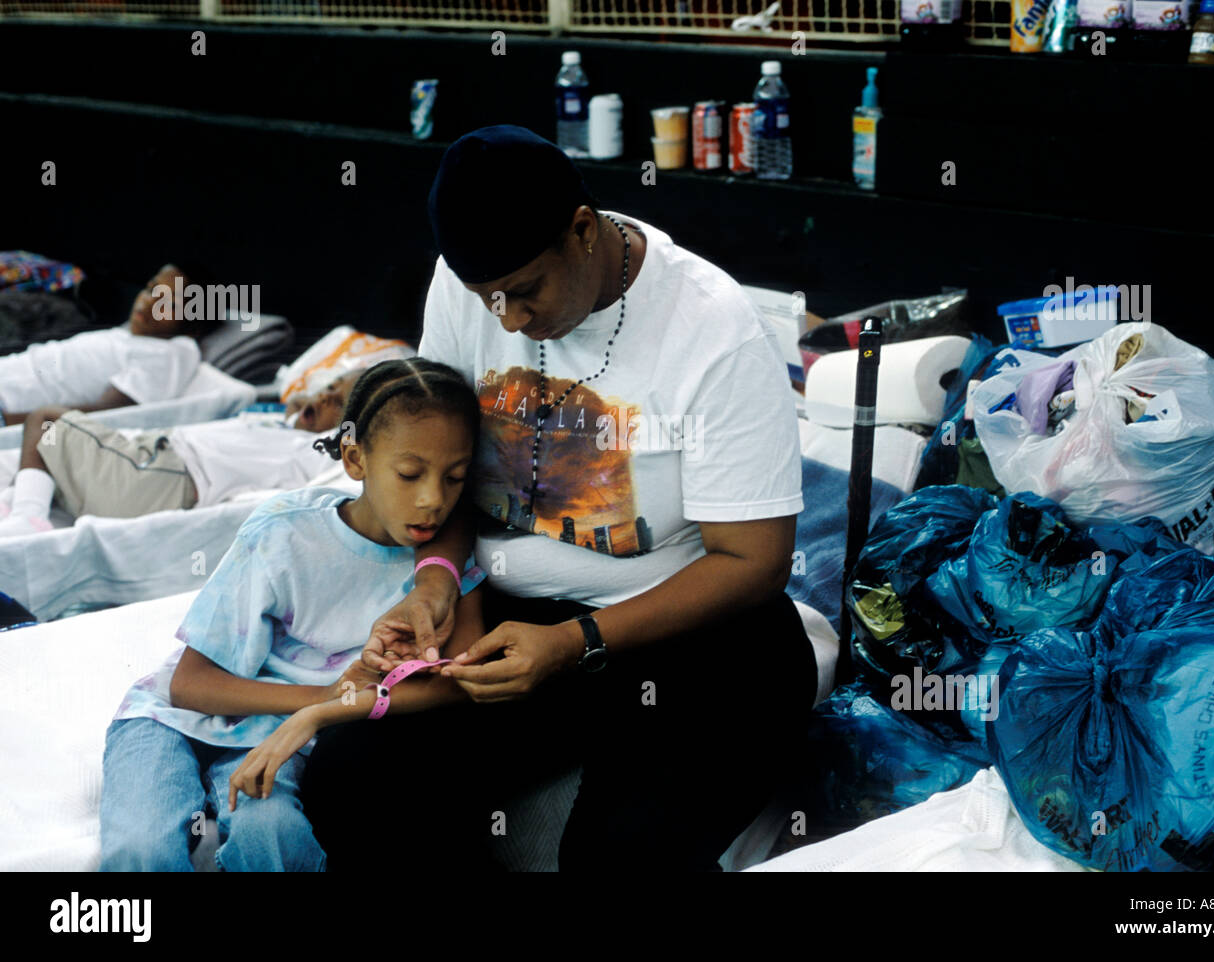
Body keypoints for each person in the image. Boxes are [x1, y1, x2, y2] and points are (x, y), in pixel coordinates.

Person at [299, 125, 817, 872]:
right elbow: (446, 474)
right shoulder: (468, 284)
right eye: (489, 301)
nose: (505, 319)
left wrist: (579, 645)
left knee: (620, 853)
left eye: (525, 292)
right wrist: (437, 587)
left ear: (582, 232)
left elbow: (756, 560)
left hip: (698, 635)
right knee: (355, 780)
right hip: (517, 621)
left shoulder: (712, 329)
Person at [98, 358, 485, 871]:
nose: (433, 499)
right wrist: (323, 700)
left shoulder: (450, 573)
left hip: (280, 735)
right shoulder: (284, 532)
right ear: (354, 458)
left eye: (455, 477)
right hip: (170, 720)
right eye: (410, 473)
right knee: (140, 850)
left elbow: (461, 680)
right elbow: (188, 684)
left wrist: (325, 712)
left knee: (273, 836)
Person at [0, 370, 363, 538]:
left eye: (341, 400)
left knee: (45, 421)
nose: (327, 396)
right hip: (154, 467)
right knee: (48, 453)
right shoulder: (279, 427)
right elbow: (294, 408)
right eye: (329, 386)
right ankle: (24, 504)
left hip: (157, 473)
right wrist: (300, 410)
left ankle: (28, 518)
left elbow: (339, 441)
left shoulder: (319, 450)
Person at [0, 264, 217, 428]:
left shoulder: (170, 353)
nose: (148, 302)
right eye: (151, 290)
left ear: (194, 326)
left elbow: (109, 414)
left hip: (8, 405)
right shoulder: (132, 336)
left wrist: (10, 421)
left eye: (169, 303)